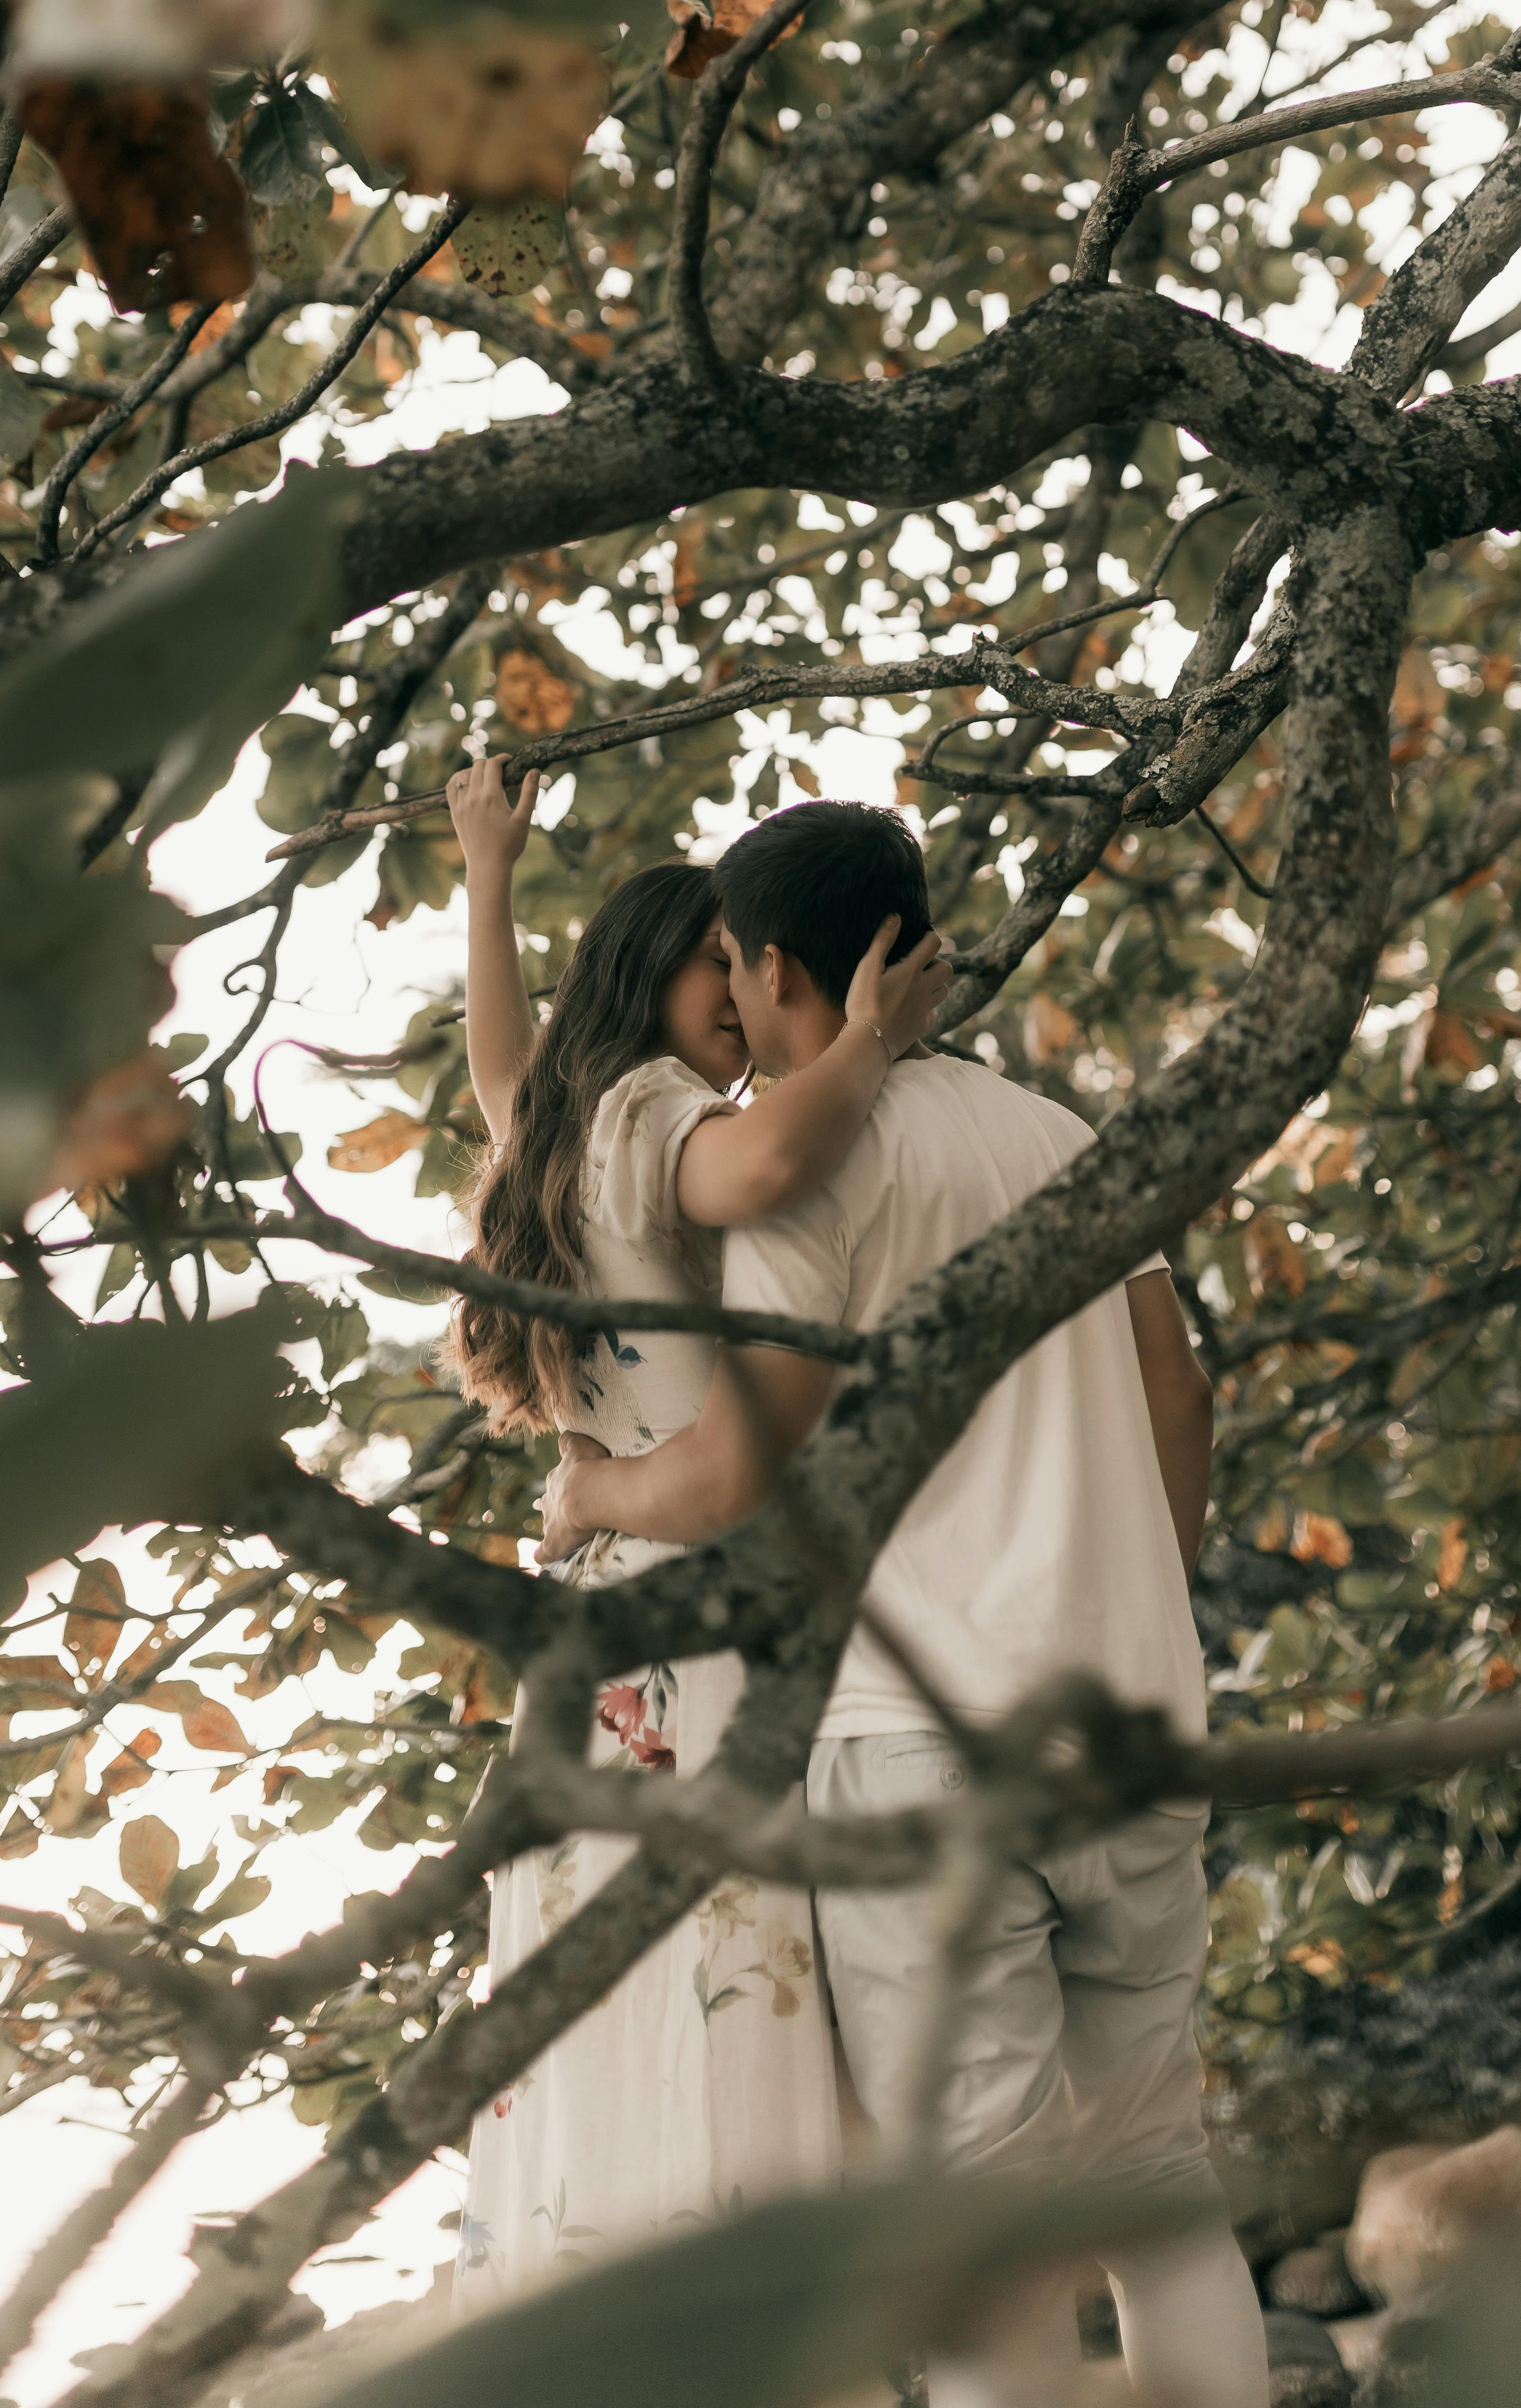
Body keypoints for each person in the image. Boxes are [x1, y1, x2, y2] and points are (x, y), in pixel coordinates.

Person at [544, 799, 1269, 2408]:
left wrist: (592, 1491)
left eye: (734, 963)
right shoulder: (1054, 1134)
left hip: (926, 1739)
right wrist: (1138, 1605)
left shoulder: (819, 1168)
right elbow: (1181, 1397)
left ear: (778, 962)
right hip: (1138, 1715)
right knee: (1159, 2177)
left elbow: (748, 1475)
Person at [440, 757, 948, 2301]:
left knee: (622, 1999)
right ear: (650, 970)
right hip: (694, 1604)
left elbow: (494, 1060)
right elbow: (775, 1160)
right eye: (709, 955)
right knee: (730, 1988)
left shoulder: (557, 1133)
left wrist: (486, 869)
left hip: (601, 1612)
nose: (738, 982)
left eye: (742, 956)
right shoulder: (656, 1113)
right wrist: (866, 1040)